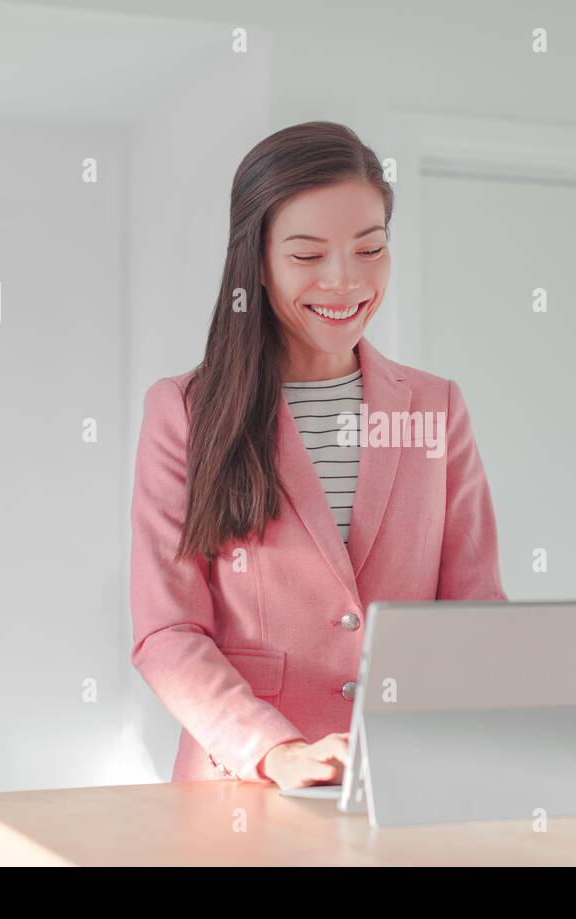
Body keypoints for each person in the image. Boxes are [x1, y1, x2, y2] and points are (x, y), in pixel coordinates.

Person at [129, 121, 507, 791]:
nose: (344, 281)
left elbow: (475, 610)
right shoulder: (185, 410)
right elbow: (168, 631)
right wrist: (276, 752)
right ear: (256, 262)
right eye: (308, 256)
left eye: (370, 249)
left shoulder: (435, 407)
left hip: (402, 785)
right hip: (240, 796)